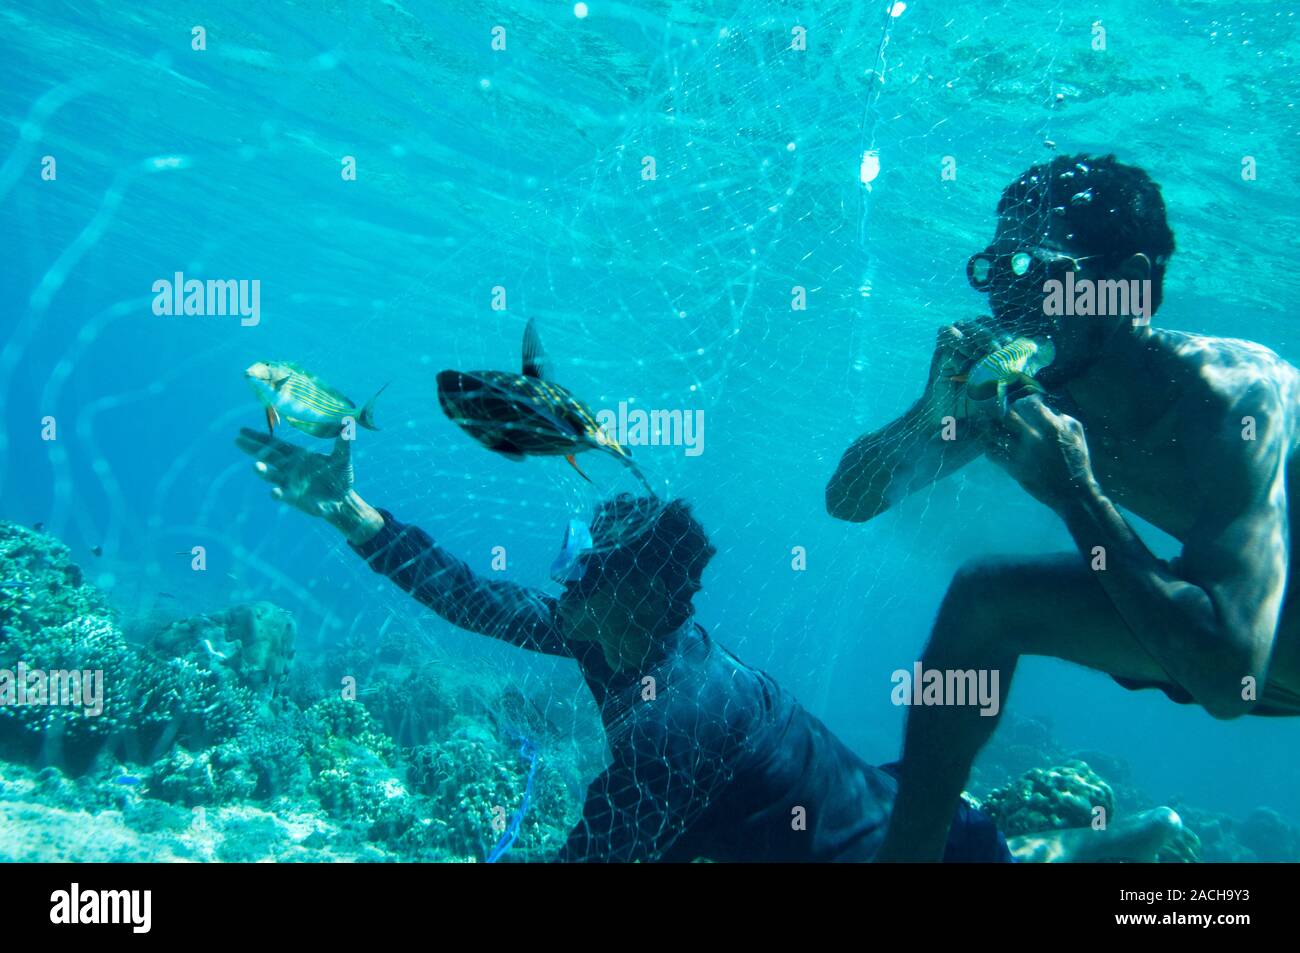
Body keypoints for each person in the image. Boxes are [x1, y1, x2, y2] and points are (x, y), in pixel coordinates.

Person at [236, 428, 1174, 861]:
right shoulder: (627, 636)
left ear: (625, 596)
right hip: (889, 799)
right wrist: (348, 512)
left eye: (579, 572)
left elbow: (593, 860)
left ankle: (1125, 847)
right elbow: (476, 602)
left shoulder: (671, 726)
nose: (560, 586)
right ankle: (1107, 841)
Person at [826, 154, 1300, 862]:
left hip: (1239, 647)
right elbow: (849, 500)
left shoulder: (1235, 401)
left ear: (1133, 286)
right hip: (1234, 644)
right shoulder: (1040, 392)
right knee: (986, 599)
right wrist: (928, 417)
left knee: (997, 597)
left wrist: (1075, 491)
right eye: (997, 272)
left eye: (1042, 273)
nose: (1010, 306)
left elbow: (1229, 674)